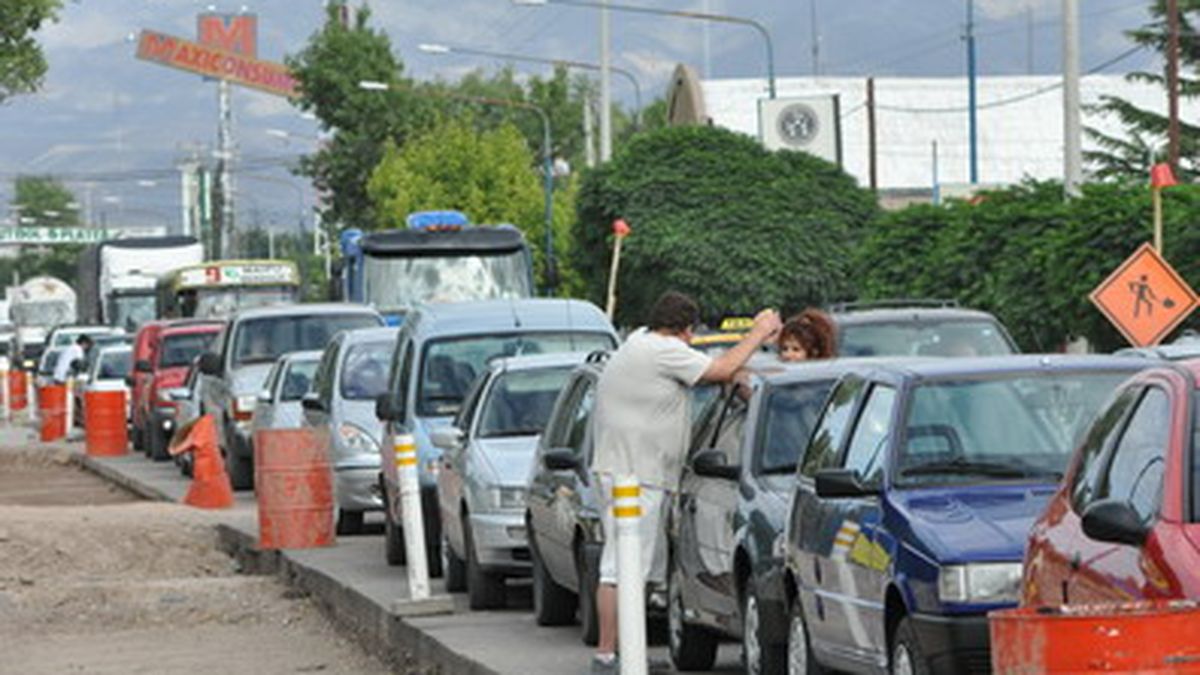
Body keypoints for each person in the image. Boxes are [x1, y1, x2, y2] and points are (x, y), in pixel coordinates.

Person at [589, 291, 781, 673]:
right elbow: (722, 369)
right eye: (691, 334)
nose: (692, 341)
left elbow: (716, 375)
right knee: (621, 567)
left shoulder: (639, 344)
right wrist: (759, 332)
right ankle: (609, 656)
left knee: (633, 565)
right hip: (634, 476)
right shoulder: (662, 349)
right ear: (682, 329)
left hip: (628, 470)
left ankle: (625, 653)